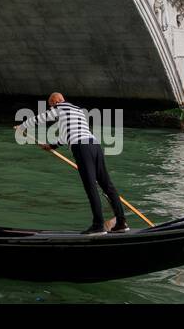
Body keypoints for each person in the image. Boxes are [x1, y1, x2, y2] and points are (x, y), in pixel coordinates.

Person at [16, 92, 128, 235]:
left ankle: (98, 225)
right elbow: (67, 134)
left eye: (51, 105)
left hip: (81, 147)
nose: (51, 108)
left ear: (55, 102)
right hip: (94, 145)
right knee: (107, 185)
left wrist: (22, 126)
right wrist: (52, 145)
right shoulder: (77, 110)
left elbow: (40, 118)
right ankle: (121, 223)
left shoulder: (60, 108)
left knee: (91, 186)